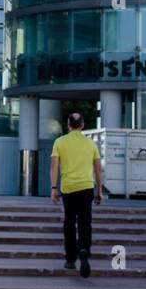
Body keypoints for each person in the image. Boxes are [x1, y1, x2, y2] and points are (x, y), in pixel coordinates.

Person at [50, 112, 103, 277]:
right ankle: (84, 249)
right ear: (82, 125)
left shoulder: (59, 142)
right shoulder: (91, 144)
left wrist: (53, 187)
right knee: (85, 222)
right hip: (87, 187)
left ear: (68, 125)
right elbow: (98, 169)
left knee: (69, 223)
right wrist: (99, 190)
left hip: (68, 188)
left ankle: (71, 259)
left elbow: (54, 167)